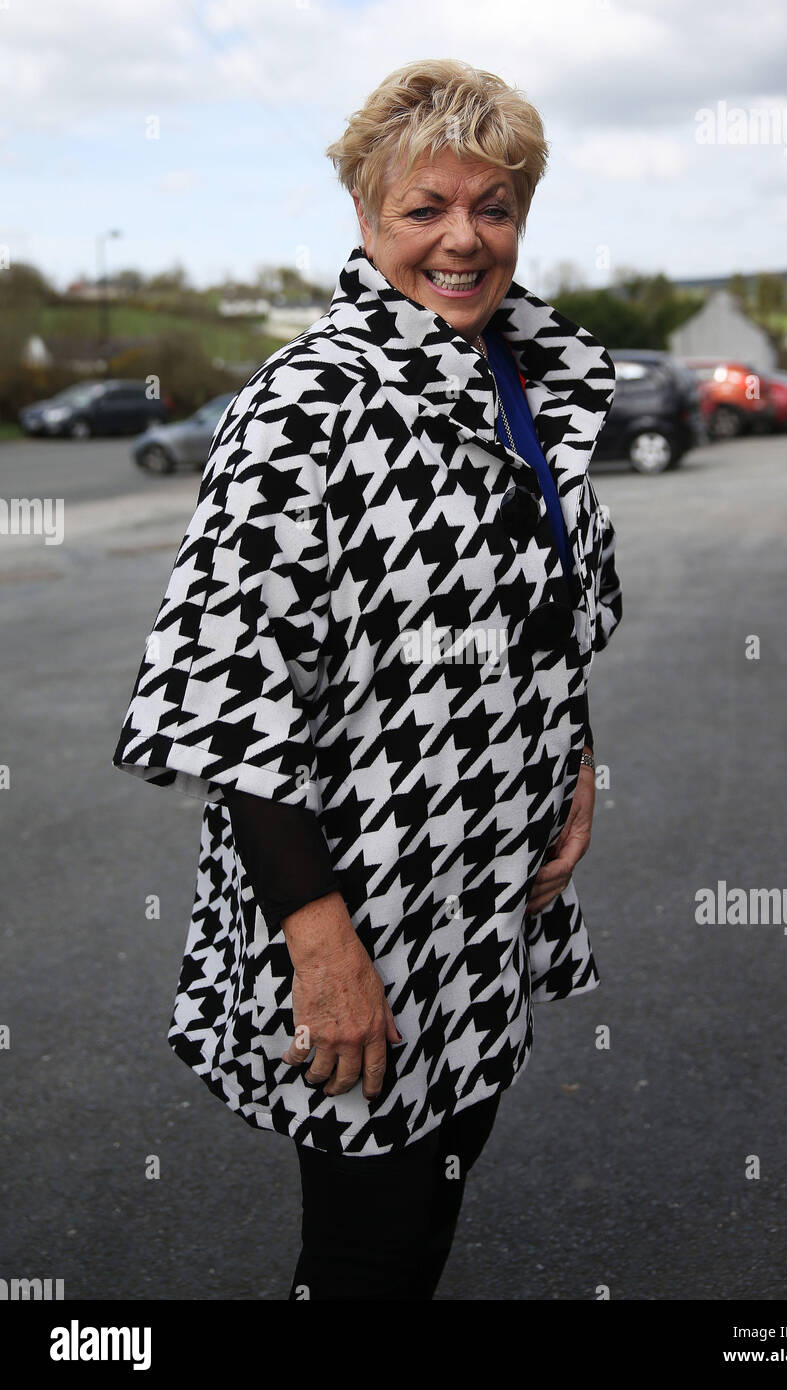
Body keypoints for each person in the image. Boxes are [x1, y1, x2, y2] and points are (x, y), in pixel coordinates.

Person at [111, 58, 622, 1300]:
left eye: (492, 207)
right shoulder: (308, 404)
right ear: (364, 217)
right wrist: (318, 944)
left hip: (484, 893)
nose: (462, 239)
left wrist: (575, 772)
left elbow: (551, 614)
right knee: (365, 1245)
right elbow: (227, 689)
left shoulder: (515, 381)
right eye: (424, 208)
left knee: (437, 1186)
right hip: (358, 905)